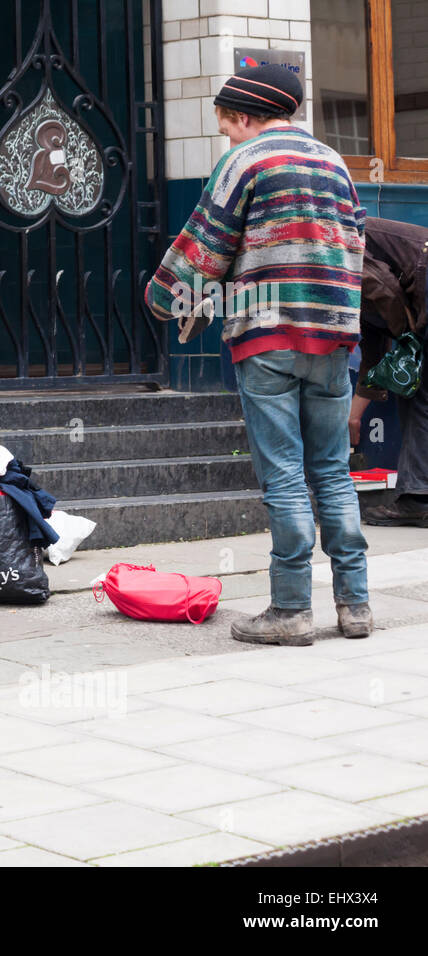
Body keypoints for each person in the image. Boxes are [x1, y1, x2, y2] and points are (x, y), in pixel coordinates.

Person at [145, 64, 371, 646]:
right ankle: (355, 606)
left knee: (286, 477)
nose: (228, 137)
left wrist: (165, 296)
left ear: (244, 116)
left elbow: (207, 242)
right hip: (334, 335)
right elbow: (356, 244)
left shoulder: (245, 162)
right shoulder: (335, 161)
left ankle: (292, 610)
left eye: (227, 126)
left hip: (268, 336)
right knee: (333, 473)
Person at [350, 216, 428, 527]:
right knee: (413, 390)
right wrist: (354, 416)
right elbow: (372, 355)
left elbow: (386, 291)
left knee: (418, 393)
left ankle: (417, 498)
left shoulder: (340, 240)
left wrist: (408, 341)